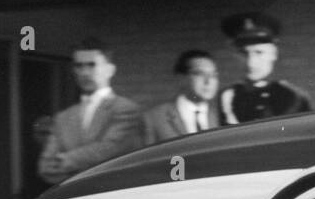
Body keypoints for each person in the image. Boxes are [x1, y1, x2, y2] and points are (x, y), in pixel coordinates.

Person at [38, 39, 143, 185]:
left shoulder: (126, 109)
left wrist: (66, 160)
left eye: (92, 65)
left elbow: (110, 148)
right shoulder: (63, 117)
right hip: (73, 197)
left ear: (110, 70)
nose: (85, 72)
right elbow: (46, 167)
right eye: (79, 66)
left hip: (115, 193)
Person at [218, 12, 312, 125]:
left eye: (259, 52)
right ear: (235, 55)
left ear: (274, 54)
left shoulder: (293, 97)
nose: (251, 62)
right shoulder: (227, 97)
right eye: (244, 53)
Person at [144, 49, 220, 144]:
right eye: (200, 74)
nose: (208, 82)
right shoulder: (154, 118)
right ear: (181, 78)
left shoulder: (221, 117)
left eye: (213, 75)